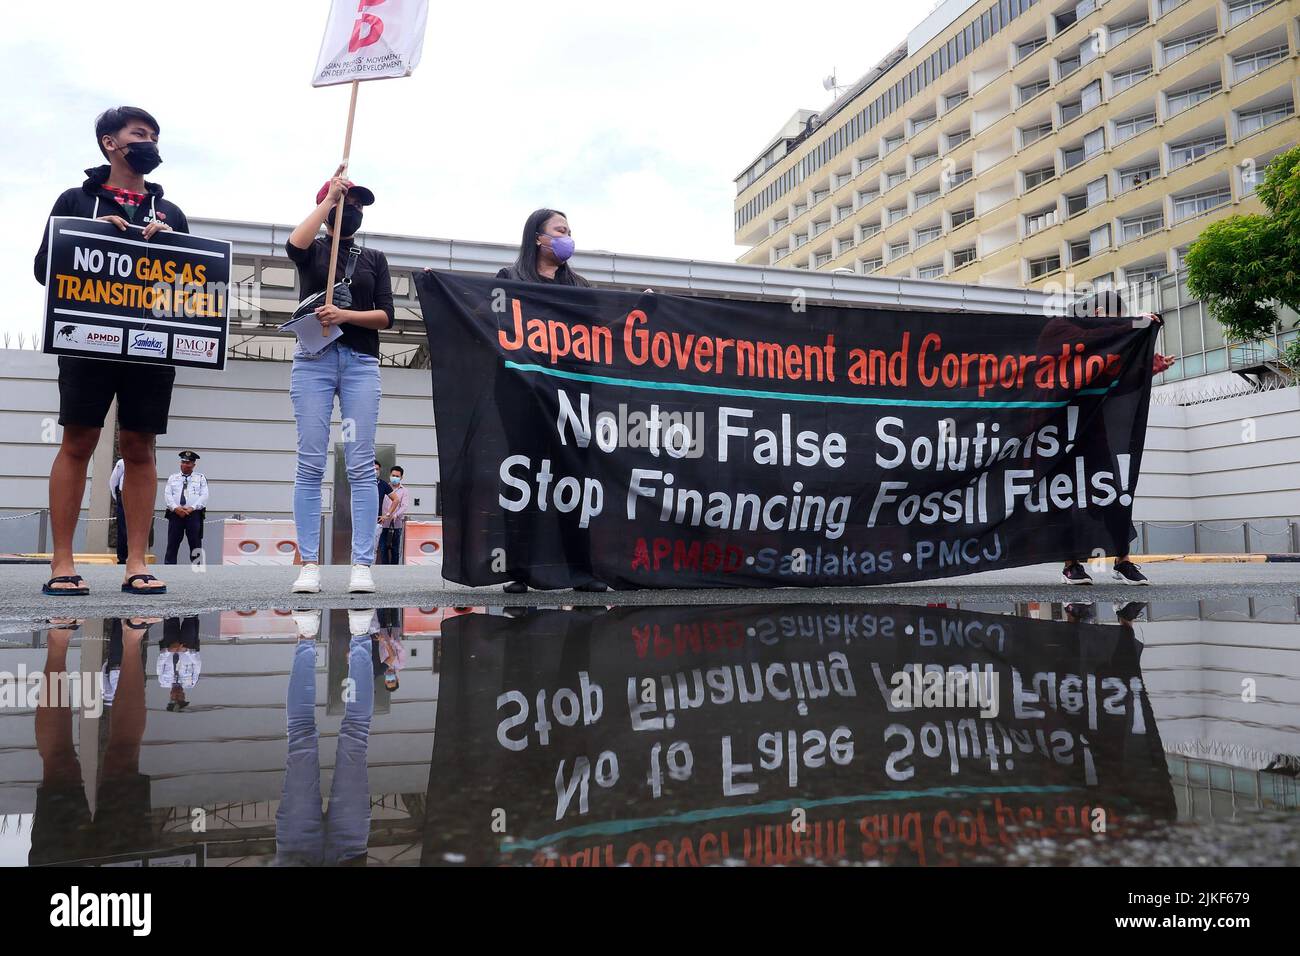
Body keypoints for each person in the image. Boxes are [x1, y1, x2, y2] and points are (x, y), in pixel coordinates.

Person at [34, 107, 188, 597]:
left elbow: (195, 286)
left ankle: (137, 562)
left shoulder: (172, 212)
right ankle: (62, 560)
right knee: (77, 441)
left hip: (151, 348)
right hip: (87, 342)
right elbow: (44, 269)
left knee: (141, 447)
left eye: (155, 136)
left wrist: (171, 249)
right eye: (139, 134)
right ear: (109, 143)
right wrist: (99, 234)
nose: (149, 143)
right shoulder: (74, 199)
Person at [285, 170, 394, 595]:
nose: (356, 212)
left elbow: (386, 315)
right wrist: (329, 199)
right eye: (350, 204)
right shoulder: (313, 250)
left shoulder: (374, 259)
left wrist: (345, 316)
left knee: (361, 463)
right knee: (309, 462)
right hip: (313, 361)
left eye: (360, 206)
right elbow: (293, 244)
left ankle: (362, 564)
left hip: (360, 361)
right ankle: (309, 563)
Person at [494, 209, 606, 594]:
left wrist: (640, 309)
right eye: (560, 230)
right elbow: (490, 325)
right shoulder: (509, 280)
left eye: (570, 231)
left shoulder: (580, 287)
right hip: (522, 396)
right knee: (524, 478)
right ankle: (520, 570)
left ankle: (581, 570)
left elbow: (605, 330)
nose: (567, 237)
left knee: (573, 478)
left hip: (572, 396)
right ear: (538, 238)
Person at [1057, 290, 1176, 587]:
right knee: (1067, 495)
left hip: (1096, 432)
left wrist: (1149, 369)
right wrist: (1136, 324)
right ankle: (1071, 564)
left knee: (1114, 492)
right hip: (1062, 432)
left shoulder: (1112, 346)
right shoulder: (1069, 333)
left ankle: (1122, 561)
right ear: (1098, 314)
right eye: (1117, 316)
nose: (1123, 322)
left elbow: (1119, 386)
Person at [163, 450, 208, 565]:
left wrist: (192, 508)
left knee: (195, 543)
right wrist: (175, 508)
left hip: (193, 514)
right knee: (172, 542)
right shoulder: (173, 478)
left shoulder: (200, 478)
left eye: (188, 463)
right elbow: (168, 495)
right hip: (176, 514)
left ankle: (197, 568)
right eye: (183, 462)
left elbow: (204, 495)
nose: (185, 465)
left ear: (193, 465)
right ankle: (169, 567)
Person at [157, 616, 201, 712]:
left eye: (175, 697)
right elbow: (197, 664)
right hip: (188, 646)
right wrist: (187, 651)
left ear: (170, 696)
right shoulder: (191, 682)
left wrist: (168, 651)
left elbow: (160, 664)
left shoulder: (163, 682)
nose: (178, 695)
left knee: (171, 619)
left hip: (170, 647)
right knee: (190, 620)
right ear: (184, 696)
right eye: (181, 697)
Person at [379, 464, 409, 565]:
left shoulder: (404, 491)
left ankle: (395, 570)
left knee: (395, 549)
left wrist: (395, 515)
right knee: (383, 548)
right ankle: (384, 569)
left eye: (397, 476)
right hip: (383, 524)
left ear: (401, 477)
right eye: (393, 475)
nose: (395, 478)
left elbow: (404, 506)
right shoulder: (384, 487)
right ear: (389, 475)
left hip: (396, 525)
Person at [109, 457, 127, 564]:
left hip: (137, 498)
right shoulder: (122, 463)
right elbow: (113, 482)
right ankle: (122, 558)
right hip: (123, 496)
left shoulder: (144, 460)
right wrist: (118, 498)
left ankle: (136, 558)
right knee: (122, 530)